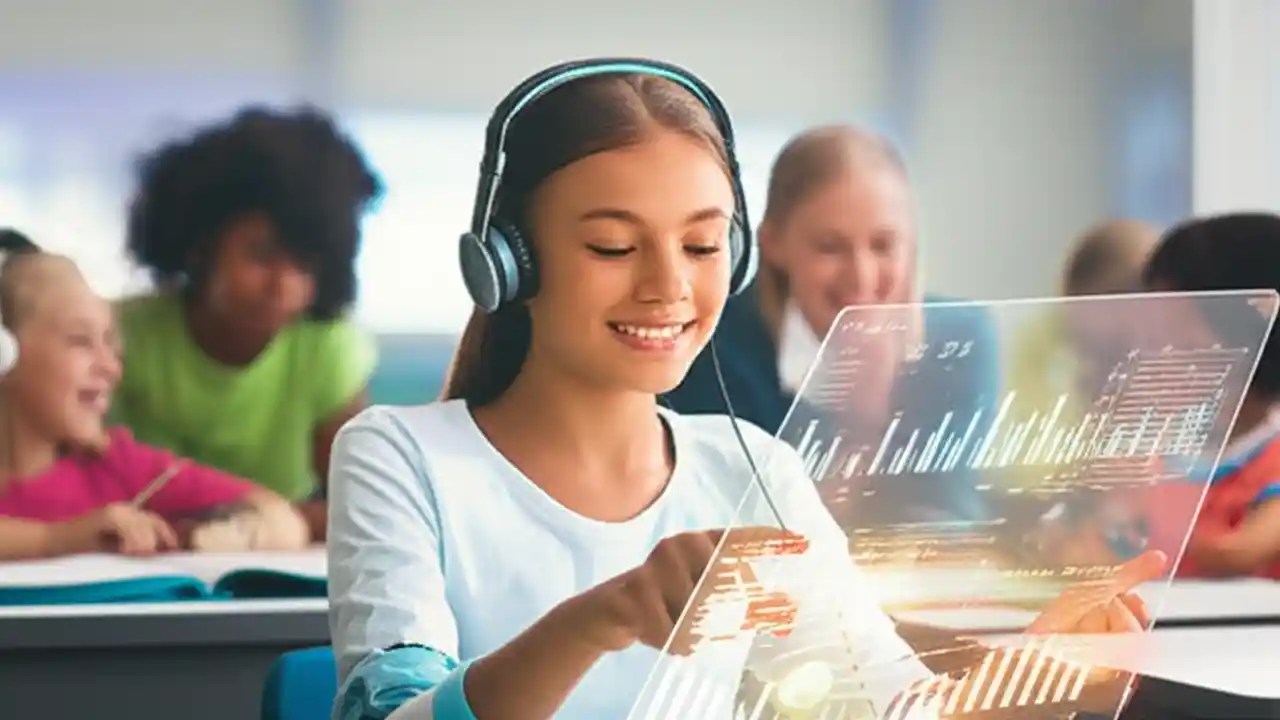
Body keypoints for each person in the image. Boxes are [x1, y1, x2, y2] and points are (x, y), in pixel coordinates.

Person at [326, 60, 1164, 720]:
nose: (668, 287)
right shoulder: (401, 454)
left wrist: (1038, 675)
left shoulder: (753, 468)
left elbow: (893, 708)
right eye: (615, 248)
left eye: (699, 247)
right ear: (512, 263)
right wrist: (601, 620)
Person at [661, 125, 1000, 524]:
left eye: (884, 245)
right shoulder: (711, 349)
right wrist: (857, 421)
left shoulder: (959, 339)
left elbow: (950, 518)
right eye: (831, 247)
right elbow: (745, 532)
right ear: (774, 244)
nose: (862, 276)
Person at [111, 106, 383, 541]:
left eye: (304, 264)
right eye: (261, 254)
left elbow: (362, 504)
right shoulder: (122, 337)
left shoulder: (326, 350)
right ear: (201, 243)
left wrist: (250, 528)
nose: (283, 284)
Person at [0, 230, 309, 560]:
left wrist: (201, 538)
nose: (111, 368)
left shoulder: (118, 465)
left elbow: (283, 521)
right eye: (80, 341)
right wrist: (58, 540)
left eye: (110, 343)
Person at [1139, 212, 1280, 579]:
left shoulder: (1272, 459)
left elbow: (1237, 551)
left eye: (1179, 325)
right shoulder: (1171, 452)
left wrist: (1141, 523)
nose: (1159, 346)